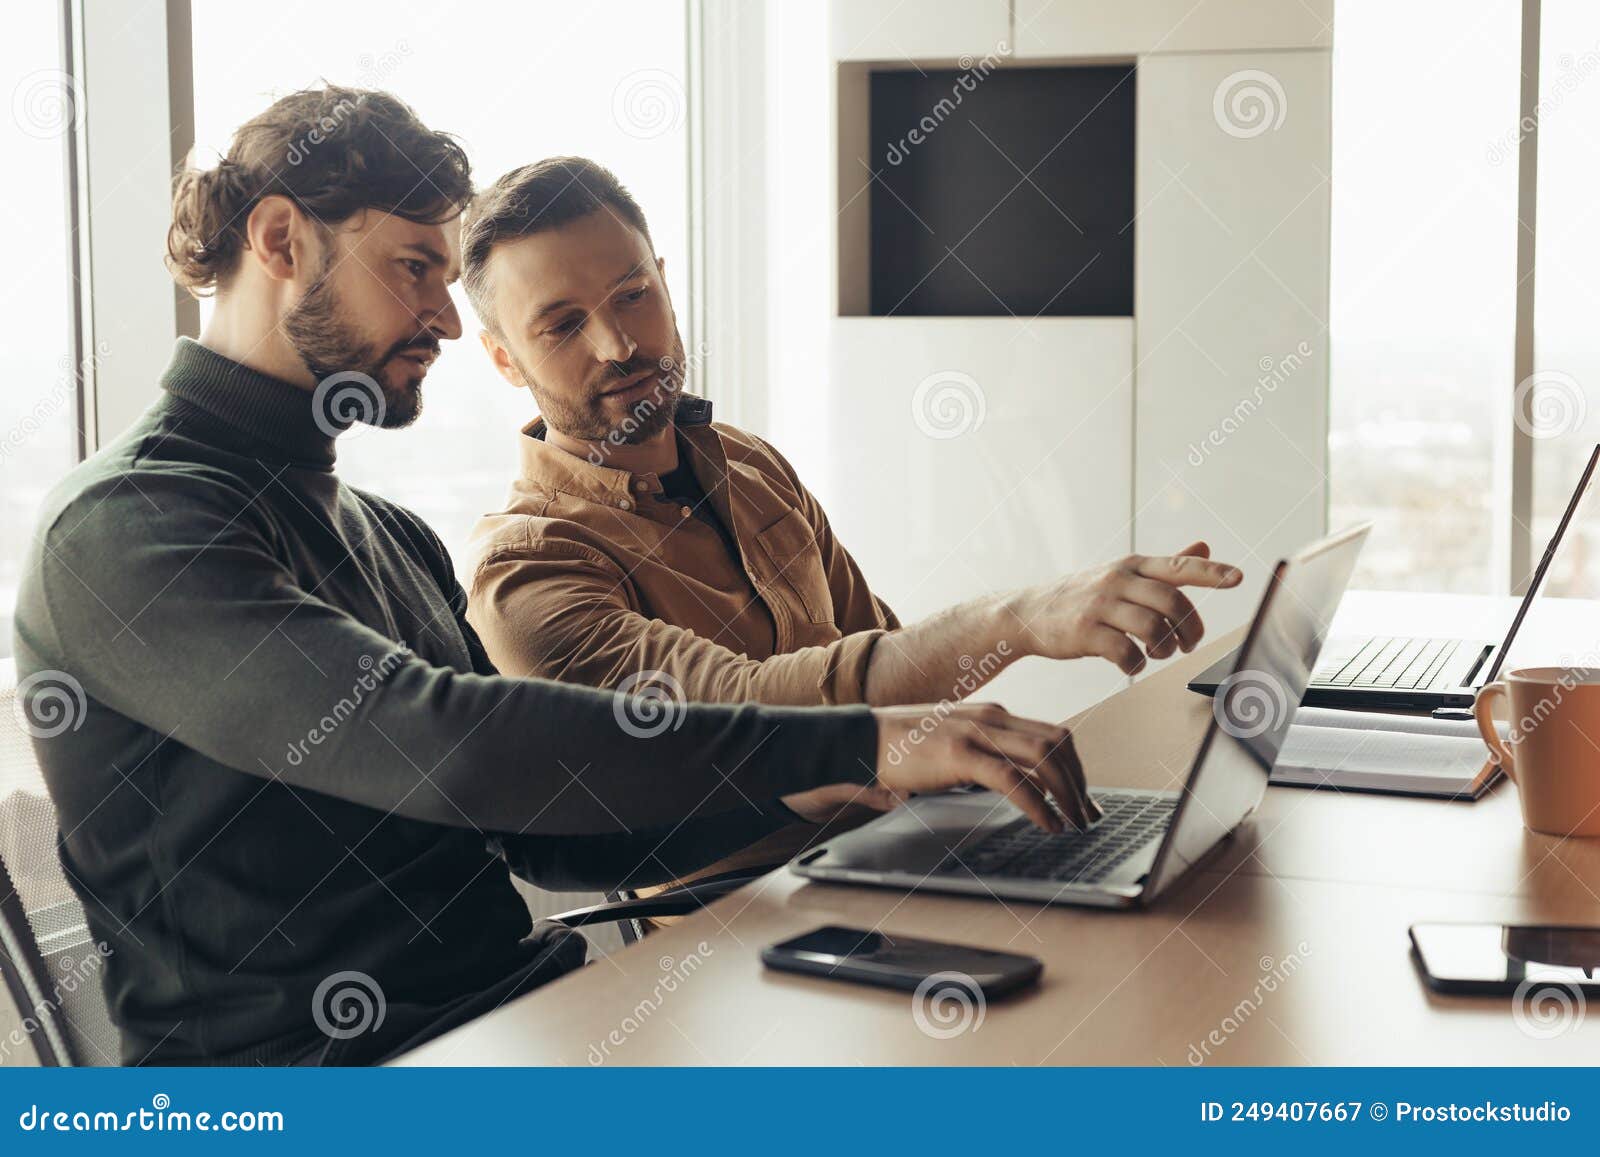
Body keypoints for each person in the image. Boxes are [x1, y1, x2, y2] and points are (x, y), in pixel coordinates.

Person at [10, 88, 1094, 1066]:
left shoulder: (385, 534)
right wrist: (858, 735)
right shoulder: (127, 528)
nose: (440, 312)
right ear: (281, 238)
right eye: (413, 267)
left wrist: (831, 779)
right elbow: (448, 743)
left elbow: (544, 832)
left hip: (513, 1025)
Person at [458, 156, 1244, 888]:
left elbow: (891, 668)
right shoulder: (527, 567)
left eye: (634, 294)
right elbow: (744, 713)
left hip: (904, 854)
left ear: (664, 282)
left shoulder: (747, 463)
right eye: (562, 326)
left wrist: (974, 751)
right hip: (744, 932)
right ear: (502, 360)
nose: (620, 342)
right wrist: (1019, 619)